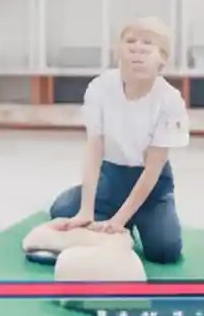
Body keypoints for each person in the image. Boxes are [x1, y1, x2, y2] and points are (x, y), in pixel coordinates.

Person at [48, 17, 190, 264]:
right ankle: (95, 206)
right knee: (61, 210)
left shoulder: (169, 100)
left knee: (165, 250)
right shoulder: (100, 87)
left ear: (162, 59)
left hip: (151, 188)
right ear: (118, 52)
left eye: (148, 44)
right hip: (111, 177)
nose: (138, 49)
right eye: (130, 42)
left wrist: (119, 221)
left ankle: (133, 218)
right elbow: (94, 149)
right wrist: (86, 209)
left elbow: (153, 170)